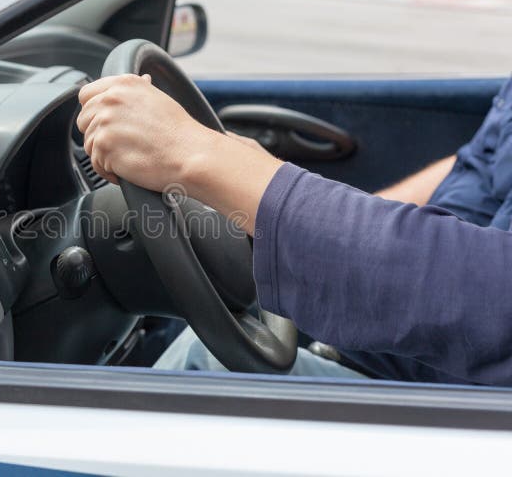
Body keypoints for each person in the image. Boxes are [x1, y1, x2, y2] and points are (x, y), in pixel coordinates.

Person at [76, 74, 512, 385]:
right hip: (415, 354)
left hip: (461, 409)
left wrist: (203, 160)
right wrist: (298, 222)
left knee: (202, 363)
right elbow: (477, 166)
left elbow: (497, 301)